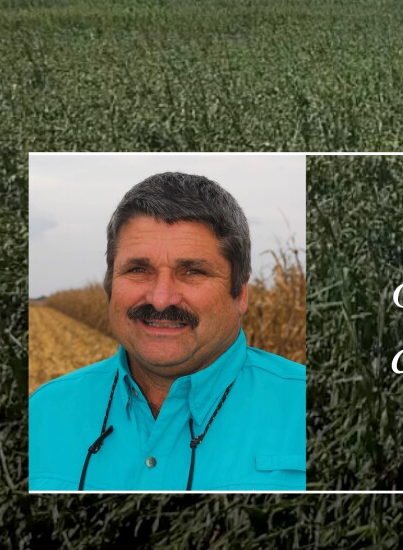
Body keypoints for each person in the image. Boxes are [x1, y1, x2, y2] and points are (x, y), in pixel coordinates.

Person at [29, 172, 306, 491]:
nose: (161, 299)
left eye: (192, 272)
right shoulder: (43, 413)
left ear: (240, 294)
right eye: (138, 270)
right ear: (110, 285)